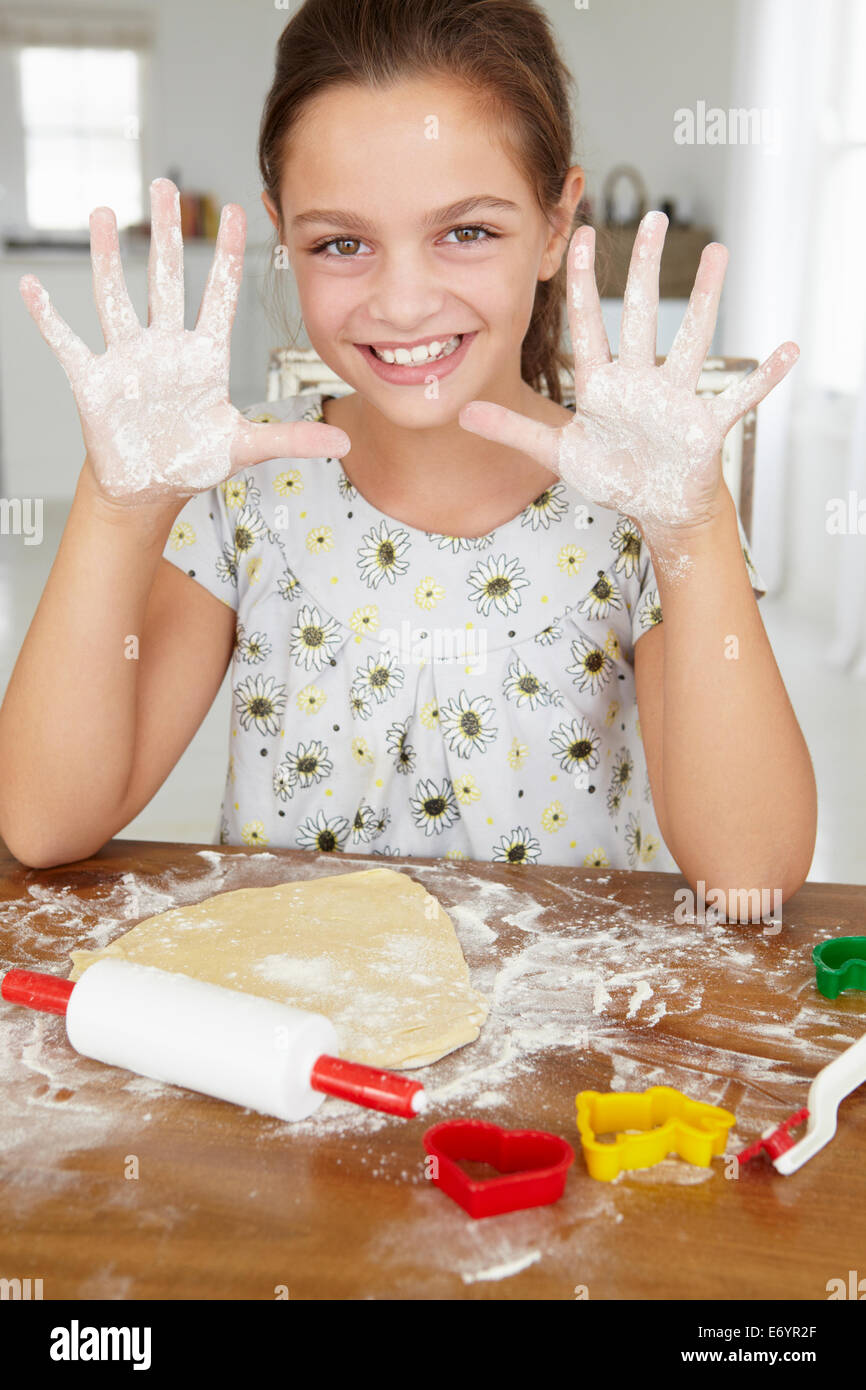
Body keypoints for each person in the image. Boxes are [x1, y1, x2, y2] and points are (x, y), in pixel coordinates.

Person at [0, 0, 816, 918]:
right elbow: (42, 821)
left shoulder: (641, 509)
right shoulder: (242, 494)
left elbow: (750, 874)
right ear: (282, 233)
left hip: (563, 1046)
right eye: (341, 243)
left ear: (555, 226)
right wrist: (118, 507)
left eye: (466, 231)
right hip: (288, 1041)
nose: (402, 302)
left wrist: (692, 530)